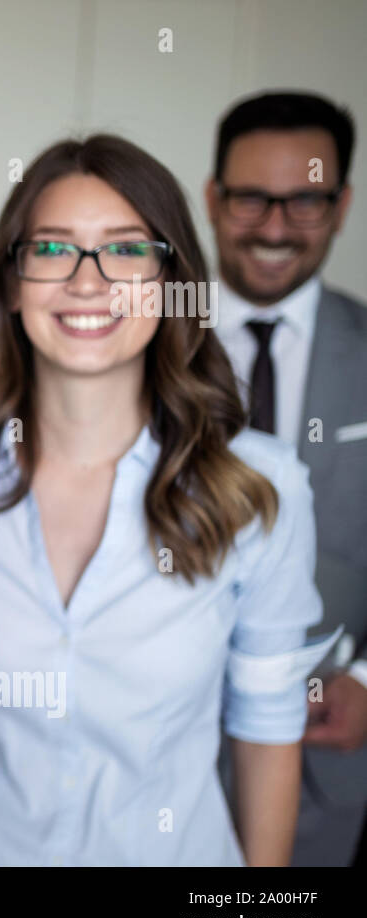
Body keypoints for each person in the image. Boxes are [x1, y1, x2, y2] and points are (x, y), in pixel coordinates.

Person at [0, 135, 326, 866]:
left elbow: (267, 733)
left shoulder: (259, 487)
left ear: (170, 281)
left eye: (126, 251)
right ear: (11, 283)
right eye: (54, 250)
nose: (88, 282)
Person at [205, 90, 367, 866]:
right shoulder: (130, 339)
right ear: (212, 199)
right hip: (156, 766)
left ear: (342, 206)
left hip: (331, 765)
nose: (274, 227)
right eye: (251, 199)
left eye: (304, 200)